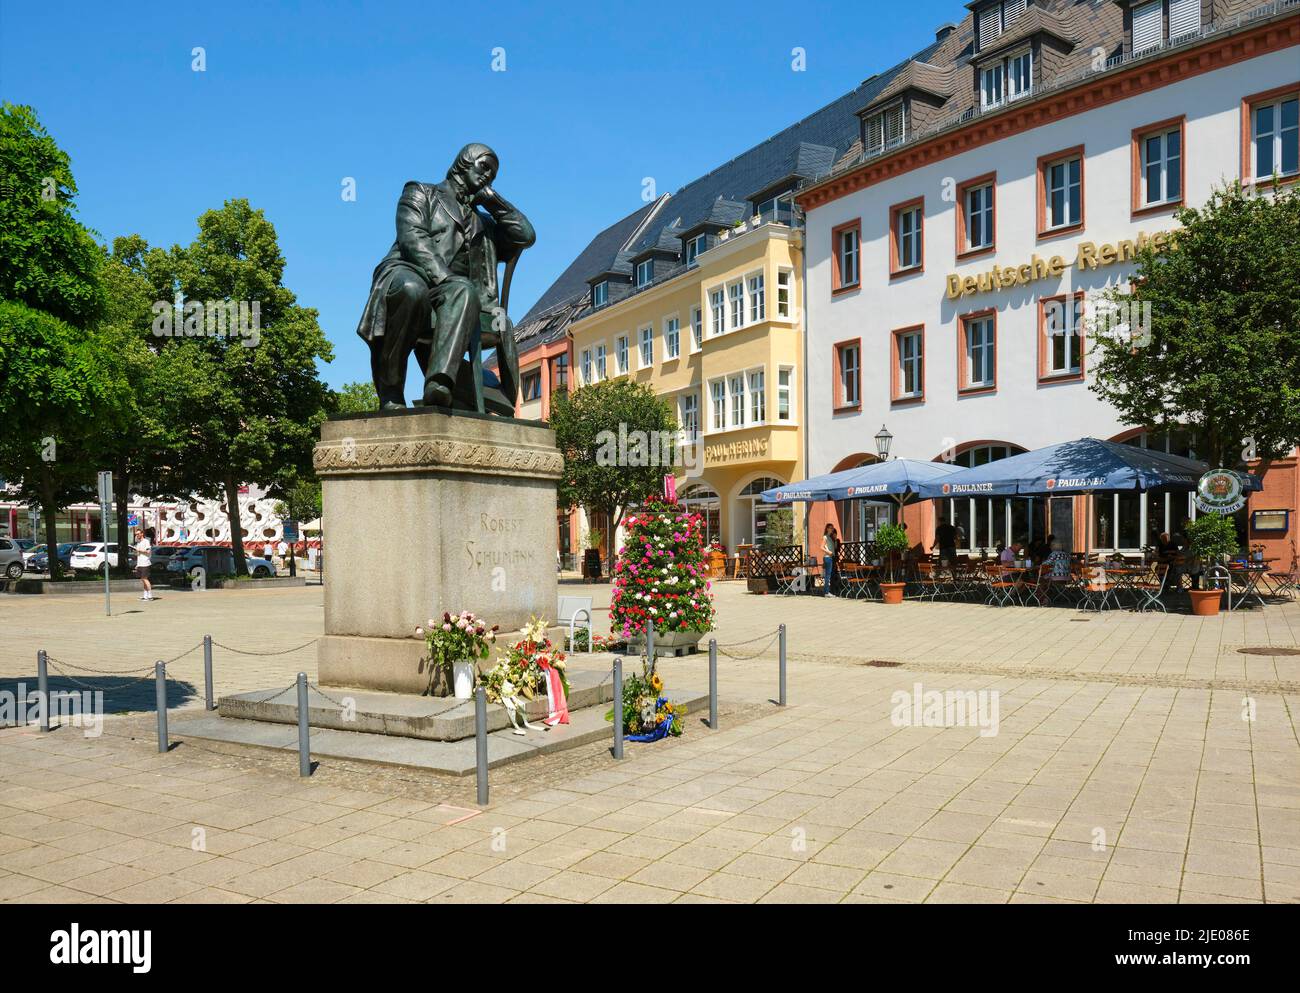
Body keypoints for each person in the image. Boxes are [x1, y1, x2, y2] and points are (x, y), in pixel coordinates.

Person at [134, 527, 154, 602]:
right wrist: (136, 553)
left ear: (142, 534)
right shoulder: (138, 542)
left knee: (145, 579)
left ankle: (150, 596)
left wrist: (140, 550)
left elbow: (148, 551)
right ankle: (145, 595)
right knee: (143, 580)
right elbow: (138, 553)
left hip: (145, 563)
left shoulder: (146, 541)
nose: (137, 535)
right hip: (140, 563)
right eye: (136, 534)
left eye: (138, 534)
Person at [822, 524, 841, 597]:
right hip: (828, 557)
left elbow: (836, 548)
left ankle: (827, 591)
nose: (832, 529)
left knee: (829, 575)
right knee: (828, 576)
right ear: (827, 529)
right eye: (830, 528)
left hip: (831, 558)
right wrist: (828, 552)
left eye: (832, 528)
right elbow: (821, 547)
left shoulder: (830, 538)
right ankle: (826, 592)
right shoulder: (825, 537)